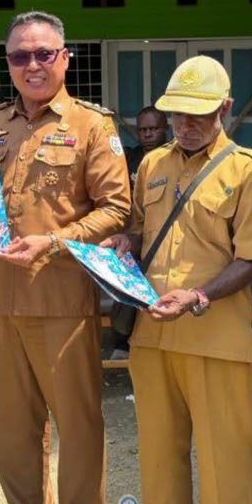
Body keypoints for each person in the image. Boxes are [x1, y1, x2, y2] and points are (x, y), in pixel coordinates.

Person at [103, 56, 252, 504]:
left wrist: (198, 296)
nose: (186, 123)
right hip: (153, 334)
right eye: (178, 113)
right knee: (159, 455)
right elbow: (142, 228)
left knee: (224, 462)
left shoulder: (247, 170)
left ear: (225, 108)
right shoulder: (152, 164)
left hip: (214, 336)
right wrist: (123, 243)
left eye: (199, 114)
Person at [0, 11, 131, 504]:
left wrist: (55, 240)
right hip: (0, 294)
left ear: (66, 59)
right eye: (20, 56)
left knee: (76, 417)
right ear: (9, 64)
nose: (32, 64)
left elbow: (117, 209)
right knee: (11, 417)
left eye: (44, 54)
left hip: (63, 294)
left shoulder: (93, 126)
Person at [109, 105, 171, 362]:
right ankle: (123, 340)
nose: (147, 134)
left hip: (166, 233)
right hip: (134, 233)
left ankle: (158, 339)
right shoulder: (128, 158)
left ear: (165, 129)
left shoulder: (174, 156)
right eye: (143, 129)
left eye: (153, 128)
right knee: (126, 273)